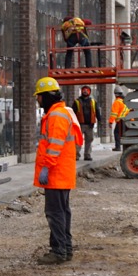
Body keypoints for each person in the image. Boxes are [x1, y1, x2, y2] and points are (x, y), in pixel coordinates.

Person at [33, 77, 82, 265]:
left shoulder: (56, 116)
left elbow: (54, 146)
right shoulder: (61, 113)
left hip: (56, 173)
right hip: (61, 172)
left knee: (55, 212)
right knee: (62, 211)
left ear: (46, 96)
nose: (38, 101)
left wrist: (46, 167)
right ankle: (65, 248)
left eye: (39, 97)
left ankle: (59, 251)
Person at [72, 85, 98, 161]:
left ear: (89, 92)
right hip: (80, 124)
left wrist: (99, 119)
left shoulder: (93, 101)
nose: (85, 91)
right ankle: (76, 155)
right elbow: (73, 112)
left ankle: (87, 155)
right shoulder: (77, 101)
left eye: (87, 90)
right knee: (78, 140)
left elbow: (96, 111)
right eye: (84, 90)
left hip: (90, 125)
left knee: (89, 140)